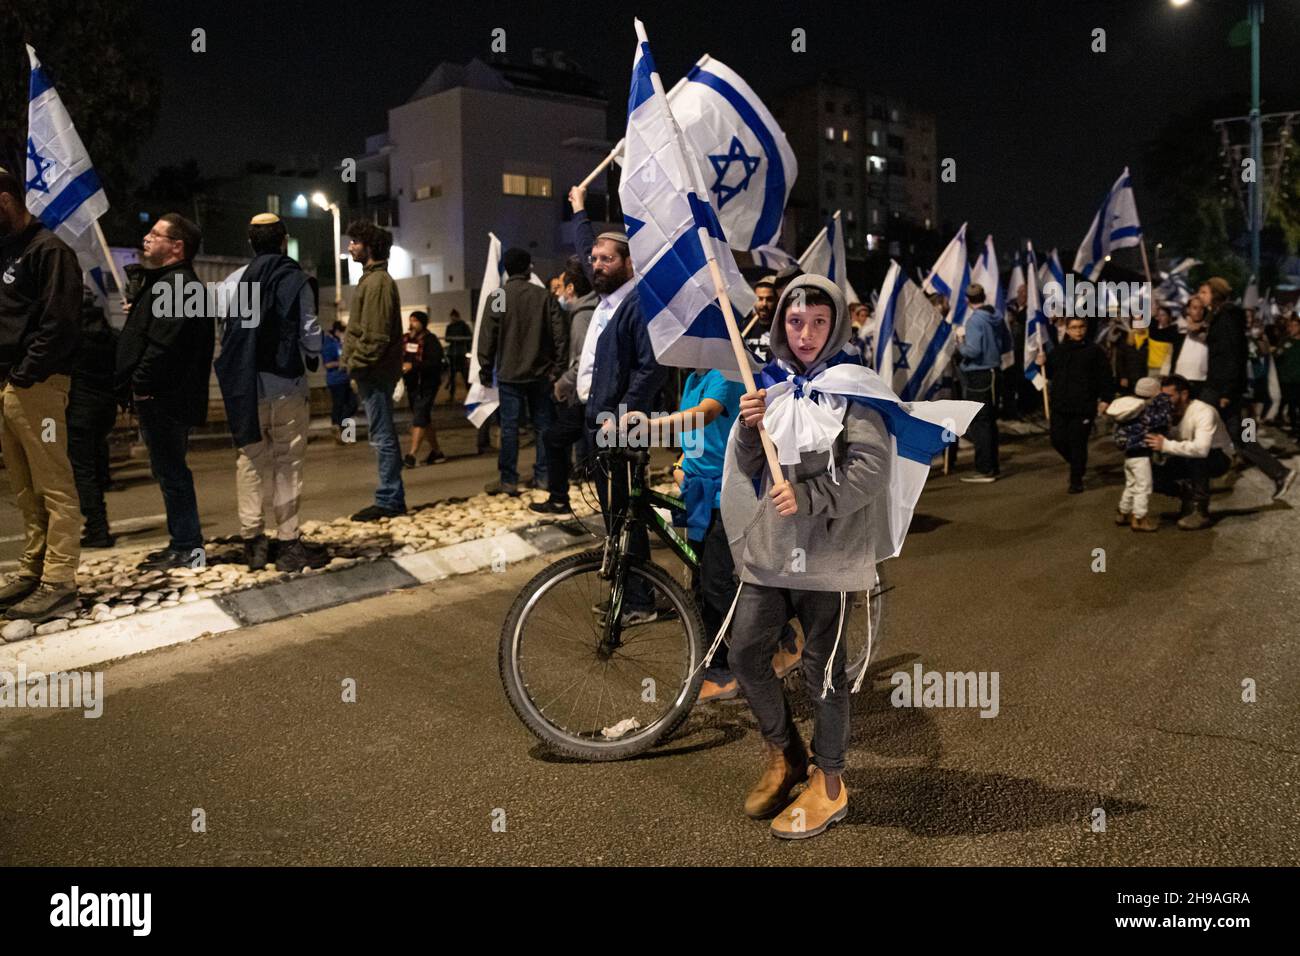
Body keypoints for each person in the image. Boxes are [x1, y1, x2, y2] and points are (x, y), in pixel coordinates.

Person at [726, 275, 890, 840]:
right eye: (795, 322)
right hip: (772, 554)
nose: (806, 333)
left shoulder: (856, 389)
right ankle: (784, 753)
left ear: (837, 324)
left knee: (825, 673)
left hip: (829, 557)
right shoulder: (766, 385)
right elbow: (751, 466)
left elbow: (871, 469)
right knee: (746, 652)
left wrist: (814, 495)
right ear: (780, 325)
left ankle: (831, 782)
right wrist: (750, 429)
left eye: (819, 322)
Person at [567, 184, 668, 621]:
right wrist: (579, 210)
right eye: (594, 259)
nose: (596, 264)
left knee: (626, 513)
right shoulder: (608, 298)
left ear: (630, 263)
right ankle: (632, 593)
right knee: (616, 515)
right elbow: (585, 246)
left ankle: (642, 600)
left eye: (607, 259)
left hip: (617, 426)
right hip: (597, 421)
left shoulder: (637, 305)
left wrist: (621, 417)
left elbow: (650, 369)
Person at [214, 212, 327, 573]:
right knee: (287, 463)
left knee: (249, 461)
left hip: (247, 388)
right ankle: (289, 544)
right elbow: (310, 333)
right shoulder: (296, 280)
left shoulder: (233, 281)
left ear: (251, 243)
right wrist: (311, 359)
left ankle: (253, 543)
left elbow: (226, 334)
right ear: (284, 241)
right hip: (286, 386)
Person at [0, 166, 84, 621]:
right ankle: (33, 571)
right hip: (11, 385)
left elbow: (61, 322)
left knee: (54, 485)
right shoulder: (8, 252)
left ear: (6, 200)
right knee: (25, 488)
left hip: (39, 386)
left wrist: (25, 375)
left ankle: (59, 582)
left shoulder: (49, 250)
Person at [116, 212, 214, 571]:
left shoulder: (180, 286)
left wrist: (140, 387)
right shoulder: (170, 284)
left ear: (177, 247)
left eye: (156, 234)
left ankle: (188, 546)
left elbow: (163, 348)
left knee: (173, 472)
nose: (146, 238)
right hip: (161, 396)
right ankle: (182, 543)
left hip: (164, 398)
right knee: (169, 471)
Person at [650, 368, 746, 702]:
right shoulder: (693, 378)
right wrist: (680, 463)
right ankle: (717, 669)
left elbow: (706, 413)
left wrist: (649, 428)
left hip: (724, 493)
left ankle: (779, 638)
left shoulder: (725, 373)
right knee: (701, 586)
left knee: (717, 582)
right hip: (697, 491)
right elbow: (696, 434)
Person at [476, 248, 564, 496]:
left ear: (507, 269)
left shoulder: (500, 296)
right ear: (528, 268)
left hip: (509, 374)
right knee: (543, 426)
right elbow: (560, 336)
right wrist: (557, 368)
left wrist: (485, 368)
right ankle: (544, 476)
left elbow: (488, 337)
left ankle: (509, 480)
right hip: (540, 374)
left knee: (510, 428)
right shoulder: (542, 296)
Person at [1199, 277, 1296, 500]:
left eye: (1204, 292)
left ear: (1215, 294)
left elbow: (1233, 357)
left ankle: (1198, 481)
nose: (1200, 295)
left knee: (1245, 426)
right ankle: (1278, 471)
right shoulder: (1223, 318)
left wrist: (1226, 391)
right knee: (1242, 435)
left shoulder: (1228, 320)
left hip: (1235, 386)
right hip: (1231, 386)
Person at [342, 220, 406, 521]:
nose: (350, 247)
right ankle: (390, 496)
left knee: (382, 436)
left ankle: (390, 499)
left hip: (375, 372)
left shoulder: (378, 283)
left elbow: (376, 336)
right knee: (381, 434)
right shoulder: (372, 280)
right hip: (372, 371)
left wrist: (355, 364)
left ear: (369, 246)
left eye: (355, 242)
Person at [531, 259, 597, 514]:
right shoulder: (591, 309)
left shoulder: (582, 315)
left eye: (560, 287)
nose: (557, 292)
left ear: (571, 288)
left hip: (586, 397)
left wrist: (562, 383)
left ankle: (559, 499)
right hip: (587, 396)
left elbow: (582, 361)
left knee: (553, 438)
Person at [1145, 374, 1233, 529]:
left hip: (1218, 457)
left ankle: (1201, 511)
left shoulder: (1203, 412)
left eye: (1169, 396)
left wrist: (1165, 445)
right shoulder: (1164, 412)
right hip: (1184, 455)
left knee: (1197, 457)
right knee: (1145, 471)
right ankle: (1187, 494)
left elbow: (1201, 449)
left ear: (1184, 394)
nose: (1164, 400)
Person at [68, 286, 120, 549]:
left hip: (80, 410)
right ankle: (99, 525)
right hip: (105, 409)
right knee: (97, 467)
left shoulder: (72, 336)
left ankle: (98, 528)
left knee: (83, 472)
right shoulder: (109, 335)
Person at [1038, 315, 1113, 493]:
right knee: (1057, 440)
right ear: (1068, 329)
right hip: (1060, 405)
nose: (1078, 331)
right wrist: (1040, 363)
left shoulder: (1094, 351)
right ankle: (1077, 463)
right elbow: (1049, 373)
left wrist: (1105, 399)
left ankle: (1076, 479)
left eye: (1081, 327)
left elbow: (1105, 378)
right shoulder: (1059, 351)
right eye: (1074, 327)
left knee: (1078, 442)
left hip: (1083, 406)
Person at [1107, 376, 1172, 531]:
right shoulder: (1143, 413)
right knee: (1144, 487)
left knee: (1131, 485)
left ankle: (1123, 512)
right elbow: (1162, 419)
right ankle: (1139, 518)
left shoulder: (1127, 409)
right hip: (1141, 455)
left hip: (1129, 455)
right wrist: (1162, 398)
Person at [954, 283, 1002, 482]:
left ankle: (984, 469)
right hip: (993, 372)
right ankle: (992, 466)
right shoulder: (997, 316)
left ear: (967, 300)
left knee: (980, 424)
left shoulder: (974, 321)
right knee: (989, 422)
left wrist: (960, 343)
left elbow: (973, 351)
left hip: (978, 376)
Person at [400, 310, 447, 467]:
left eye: (415, 321)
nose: (412, 323)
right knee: (424, 418)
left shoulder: (431, 340)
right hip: (413, 384)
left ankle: (412, 454)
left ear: (423, 323)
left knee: (419, 416)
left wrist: (413, 366)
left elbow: (434, 363)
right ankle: (437, 452)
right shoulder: (406, 340)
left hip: (427, 384)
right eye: (410, 320)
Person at [321, 320, 356, 442]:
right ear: (337, 332)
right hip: (336, 380)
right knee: (340, 405)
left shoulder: (341, 343)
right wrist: (342, 363)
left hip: (347, 378)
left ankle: (342, 429)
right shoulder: (329, 344)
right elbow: (327, 364)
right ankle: (343, 432)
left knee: (352, 404)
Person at [1275, 315, 1300, 436]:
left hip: (1298, 379)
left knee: (1294, 404)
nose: (1292, 328)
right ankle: (1294, 427)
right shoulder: (1285, 341)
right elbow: (1277, 356)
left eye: (1295, 326)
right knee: (1291, 403)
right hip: (1286, 379)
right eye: (1290, 326)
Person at [743, 275, 777, 360]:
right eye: (760, 299)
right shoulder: (743, 327)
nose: (764, 304)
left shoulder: (785, 329)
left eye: (769, 299)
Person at [443, 308, 472, 403]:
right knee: (453, 377)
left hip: (460, 352)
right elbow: (447, 338)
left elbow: (469, 338)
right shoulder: (451, 326)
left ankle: (470, 395)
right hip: (455, 353)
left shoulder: (463, 326)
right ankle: (452, 395)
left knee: (465, 376)